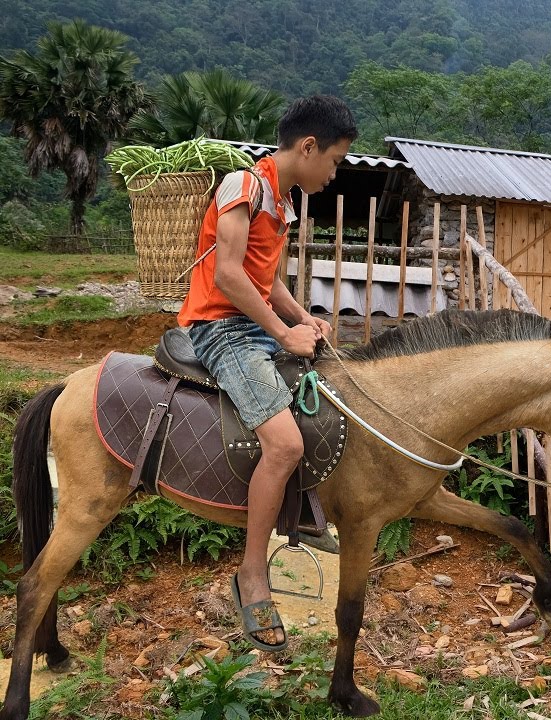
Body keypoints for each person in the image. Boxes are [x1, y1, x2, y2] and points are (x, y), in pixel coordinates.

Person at [177, 94, 357, 652]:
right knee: (282, 443)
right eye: (333, 160)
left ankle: (301, 513)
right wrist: (283, 335)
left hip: (253, 324)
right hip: (221, 327)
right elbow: (230, 277)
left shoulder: (282, 202)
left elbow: (264, 276)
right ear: (308, 147)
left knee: (324, 393)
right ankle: (253, 575)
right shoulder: (243, 187)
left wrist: (304, 316)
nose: (333, 172)